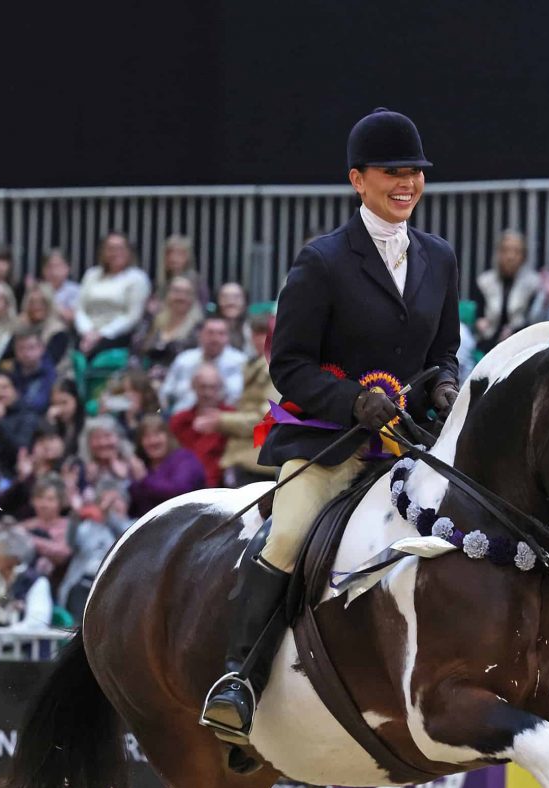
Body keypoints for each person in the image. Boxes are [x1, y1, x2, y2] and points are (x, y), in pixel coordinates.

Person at [202, 107, 460, 741]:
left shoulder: (440, 257)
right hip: (331, 442)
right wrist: (351, 401)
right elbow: (287, 364)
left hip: (408, 444)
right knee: (287, 535)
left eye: (415, 173)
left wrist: (447, 384)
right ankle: (238, 680)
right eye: (392, 172)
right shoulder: (322, 261)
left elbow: (444, 350)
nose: (407, 183)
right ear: (357, 178)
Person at [217, 315, 279, 487]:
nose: (261, 339)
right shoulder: (252, 365)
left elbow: (269, 417)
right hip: (243, 456)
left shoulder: (275, 369)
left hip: (258, 461)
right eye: (257, 333)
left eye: (266, 333)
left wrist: (221, 420)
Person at [58, 477, 131, 619]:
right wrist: (75, 515)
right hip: (82, 587)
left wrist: (109, 517)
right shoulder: (87, 527)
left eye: (116, 500)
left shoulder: (134, 525)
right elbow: (71, 542)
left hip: (114, 590)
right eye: (105, 501)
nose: (110, 506)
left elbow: (126, 538)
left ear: (126, 503)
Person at [74, 233, 151, 357]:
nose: (115, 253)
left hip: (118, 334)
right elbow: (80, 309)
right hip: (87, 332)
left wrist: (102, 334)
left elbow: (132, 316)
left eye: (120, 249)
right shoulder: (91, 274)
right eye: (110, 249)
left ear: (128, 252)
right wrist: (87, 332)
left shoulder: (137, 278)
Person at [161, 315, 247, 412]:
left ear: (228, 337)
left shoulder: (241, 362)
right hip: (183, 417)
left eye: (221, 334)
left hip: (226, 419)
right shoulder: (184, 360)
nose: (215, 338)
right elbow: (166, 392)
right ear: (200, 335)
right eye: (210, 333)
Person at [472, 230, 539, 351]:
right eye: (505, 250)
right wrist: (480, 323)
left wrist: (514, 330)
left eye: (516, 251)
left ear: (524, 256)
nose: (510, 256)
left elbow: (533, 318)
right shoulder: (484, 281)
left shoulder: (533, 283)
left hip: (522, 343)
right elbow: (479, 315)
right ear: (498, 253)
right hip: (488, 341)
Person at [128, 416, 205, 517]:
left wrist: (144, 480)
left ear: (168, 437)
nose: (153, 441)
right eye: (147, 437)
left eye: (157, 434)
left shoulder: (184, 458)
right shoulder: (143, 465)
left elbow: (179, 491)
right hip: (151, 526)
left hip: (189, 520)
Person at [168, 363, 231, 487]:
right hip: (184, 487)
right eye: (202, 387)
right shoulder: (179, 420)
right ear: (193, 387)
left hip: (221, 488)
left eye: (212, 387)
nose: (207, 393)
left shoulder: (231, 418)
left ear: (220, 388)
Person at [0, 524, 53, 632]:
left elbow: (36, 624)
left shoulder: (37, 582)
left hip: (26, 647)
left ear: (12, 557)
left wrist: (0, 637)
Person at [131, 276, 202, 372]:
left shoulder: (199, 328)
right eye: (176, 291)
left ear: (193, 298)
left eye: (187, 293)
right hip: (144, 381)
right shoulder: (151, 321)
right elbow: (135, 352)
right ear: (167, 294)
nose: (181, 297)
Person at [0, 371, 40, 479]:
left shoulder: (27, 416)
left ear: (15, 390)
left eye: (5, 387)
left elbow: (20, 450)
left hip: (12, 477)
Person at [24, 473, 72, 589]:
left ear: (60, 502)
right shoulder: (27, 525)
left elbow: (64, 552)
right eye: (40, 498)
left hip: (54, 587)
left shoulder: (68, 525)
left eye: (50, 499)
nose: (44, 504)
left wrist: (30, 540)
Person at [10, 283, 70, 368]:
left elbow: (48, 363)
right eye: (32, 303)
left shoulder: (58, 331)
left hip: (53, 377)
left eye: (42, 302)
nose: (37, 307)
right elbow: (6, 356)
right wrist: (22, 328)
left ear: (49, 304)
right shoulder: (21, 326)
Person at [97, 368, 162, 439]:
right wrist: (103, 415)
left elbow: (144, 441)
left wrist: (132, 420)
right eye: (124, 391)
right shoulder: (122, 414)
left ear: (143, 392)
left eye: (132, 390)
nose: (127, 395)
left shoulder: (156, 412)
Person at [6, 326, 58, 413]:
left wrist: (13, 401)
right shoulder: (10, 370)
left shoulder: (49, 374)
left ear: (41, 349)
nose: (26, 354)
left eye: (31, 348)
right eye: (21, 348)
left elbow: (39, 405)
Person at [153, 234, 208, 308]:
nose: (173, 258)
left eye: (179, 254)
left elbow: (203, 307)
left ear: (188, 257)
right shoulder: (160, 281)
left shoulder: (196, 281)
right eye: (169, 253)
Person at [45, 377, 85, 457]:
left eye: (64, 402)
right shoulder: (54, 424)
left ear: (75, 399)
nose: (60, 409)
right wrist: (49, 423)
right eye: (55, 404)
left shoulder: (86, 424)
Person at [39, 249, 81, 326]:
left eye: (58, 266)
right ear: (43, 270)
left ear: (67, 268)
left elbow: (70, 317)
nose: (54, 271)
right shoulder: (38, 289)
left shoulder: (75, 290)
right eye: (49, 267)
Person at [214, 281, 250, 350]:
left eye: (236, 297)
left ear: (245, 301)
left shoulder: (253, 328)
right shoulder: (206, 328)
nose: (231, 302)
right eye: (225, 297)